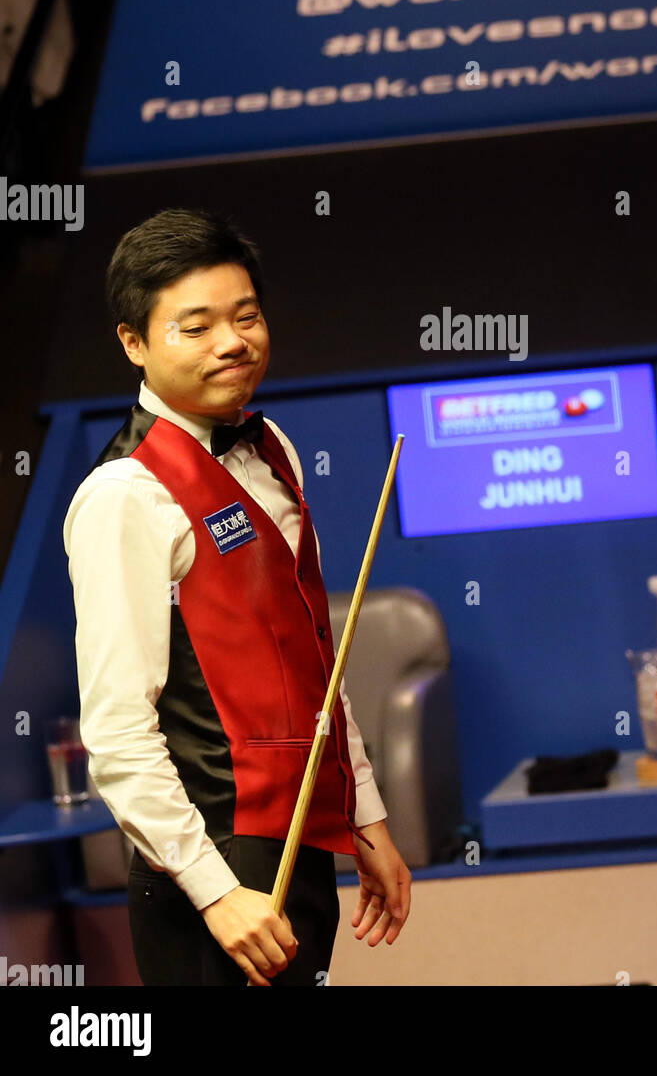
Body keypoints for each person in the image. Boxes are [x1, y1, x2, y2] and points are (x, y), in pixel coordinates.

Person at [63, 207, 411, 985]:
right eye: (195, 327)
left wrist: (365, 816)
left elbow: (320, 662)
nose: (233, 342)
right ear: (134, 343)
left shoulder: (274, 448)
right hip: (208, 871)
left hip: (301, 847)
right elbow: (117, 735)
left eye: (245, 316)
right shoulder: (125, 495)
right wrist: (218, 894)